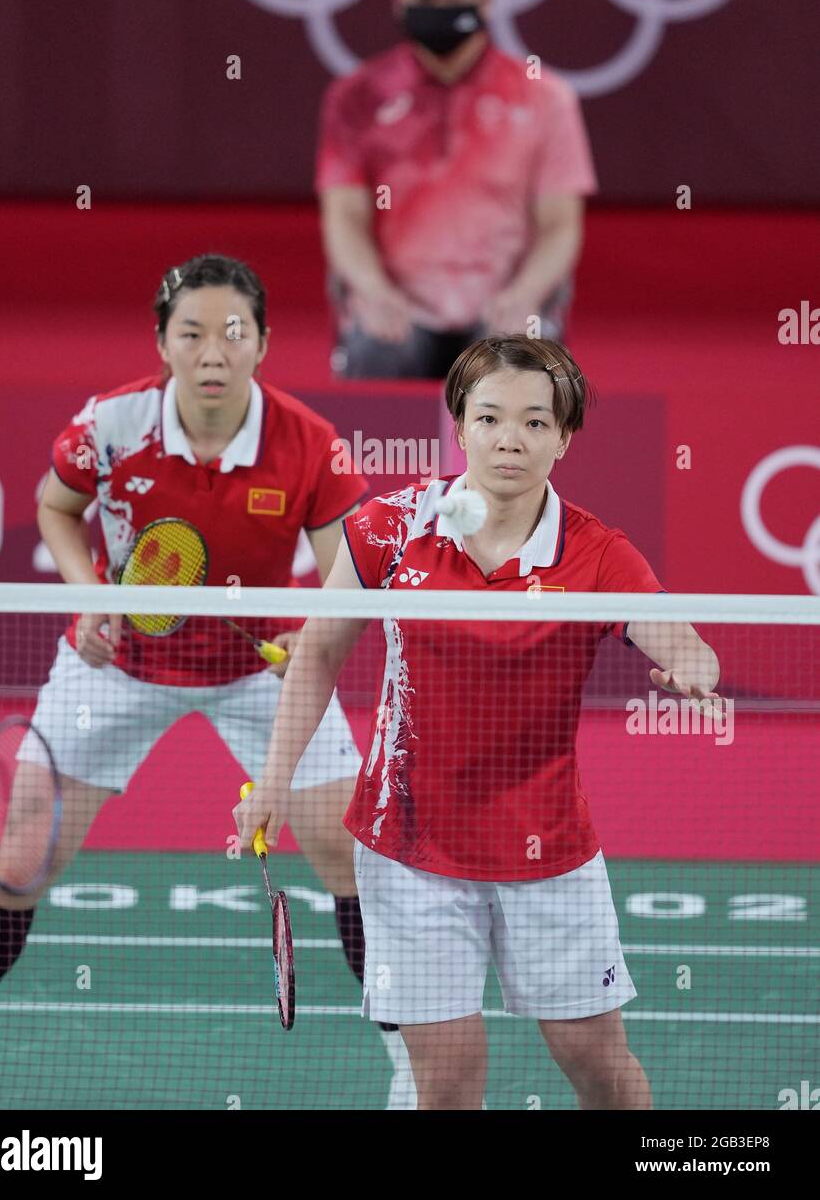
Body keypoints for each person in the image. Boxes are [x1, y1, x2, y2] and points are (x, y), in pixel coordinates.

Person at [0, 254, 413, 1106]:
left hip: (257, 668)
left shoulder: (308, 443)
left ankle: (412, 1069)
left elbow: (342, 578)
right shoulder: (111, 425)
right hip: (119, 663)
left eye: (232, 332)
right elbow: (56, 504)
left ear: (263, 344)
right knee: (22, 857)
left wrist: (306, 633)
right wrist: (90, 600)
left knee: (353, 859)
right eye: (191, 332)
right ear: (162, 343)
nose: (212, 350)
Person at [235, 334, 723, 1110]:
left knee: (598, 1068)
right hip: (409, 849)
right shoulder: (389, 528)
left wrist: (693, 667)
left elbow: (673, 635)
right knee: (449, 1087)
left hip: (548, 851)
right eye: (490, 417)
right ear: (458, 424)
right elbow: (320, 651)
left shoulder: (595, 553)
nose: (509, 438)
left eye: (535, 422)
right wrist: (272, 781)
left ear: (563, 439)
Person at [317, 0, 597, 379]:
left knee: (521, 364)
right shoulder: (356, 96)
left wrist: (525, 294)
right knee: (375, 354)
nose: (438, 4)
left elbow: (559, 227)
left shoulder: (545, 97)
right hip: (400, 309)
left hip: (501, 305)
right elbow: (344, 215)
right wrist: (373, 289)